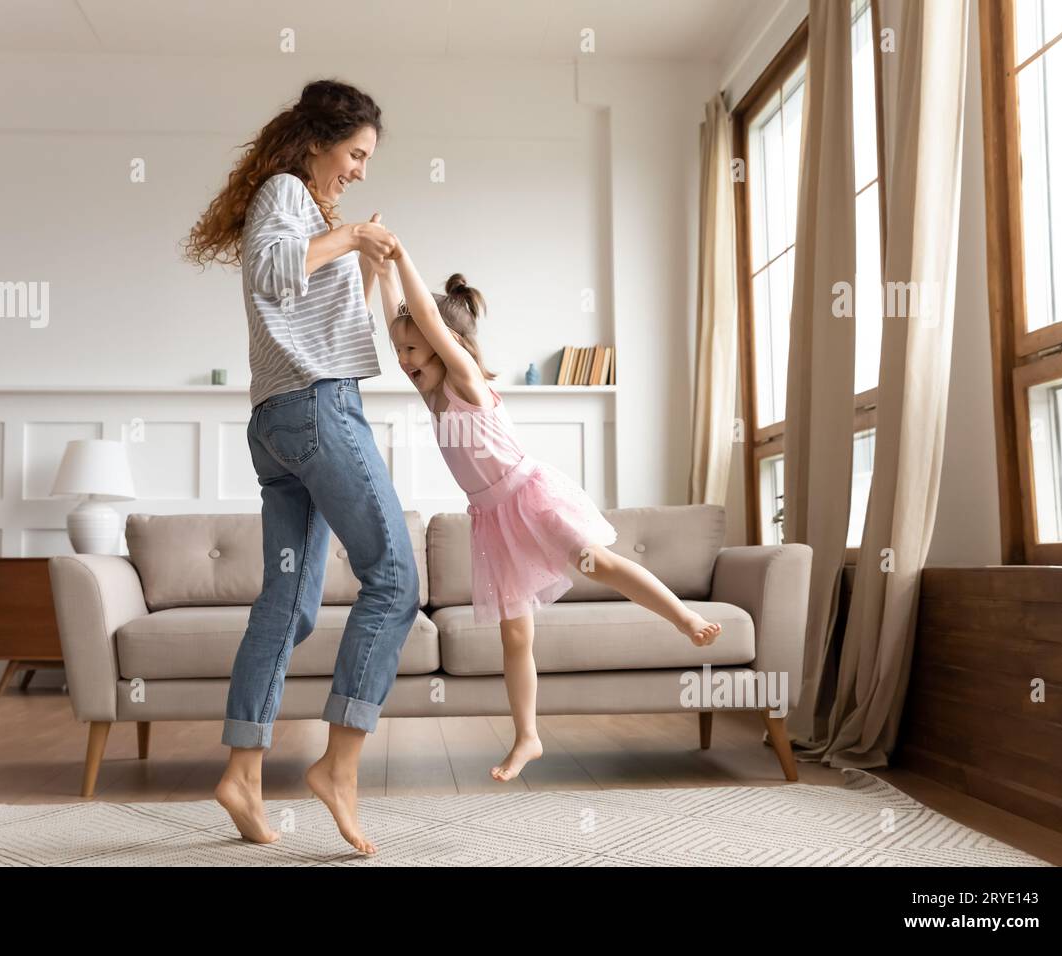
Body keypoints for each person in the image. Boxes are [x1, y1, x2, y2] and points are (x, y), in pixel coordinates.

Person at [375, 245, 722, 782]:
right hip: (493, 522)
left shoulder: (466, 381)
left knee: (596, 563)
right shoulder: (433, 397)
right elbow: (401, 317)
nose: (404, 360)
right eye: (400, 352)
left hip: (528, 499)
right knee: (516, 637)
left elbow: (422, 317)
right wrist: (377, 271)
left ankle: (684, 616)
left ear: (451, 346)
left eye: (414, 349)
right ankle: (528, 736)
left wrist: (400, 257)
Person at [183, 79, 417, 855]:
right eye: (355, 154)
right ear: (319, 140)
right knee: (395, 578)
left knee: (289, 605)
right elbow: (274, 275)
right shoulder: (287, 191)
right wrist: (352, 239)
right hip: (316, 412)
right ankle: (340, 768)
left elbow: (316, 297)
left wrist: (366, 251)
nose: (357, 169)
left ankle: (242, 775)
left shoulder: (303, 208)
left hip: (279, 424)